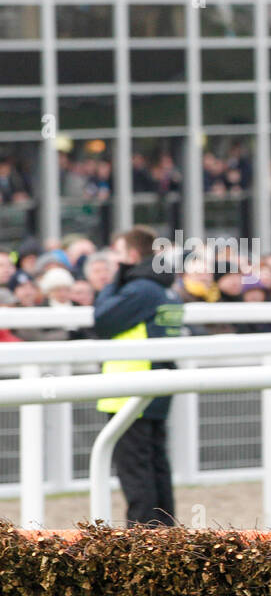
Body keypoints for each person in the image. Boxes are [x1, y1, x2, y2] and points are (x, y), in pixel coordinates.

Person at [93, 226, 184, 527]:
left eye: (118, 255)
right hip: (153, 387)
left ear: (132, 255)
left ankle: (143, 535)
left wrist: (111, 283)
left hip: (131, 390)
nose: (114, 263)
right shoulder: (165, 288)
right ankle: (164, 534)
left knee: (136, 471)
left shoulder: (140, 289)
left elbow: (103, 320)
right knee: (156, 466)